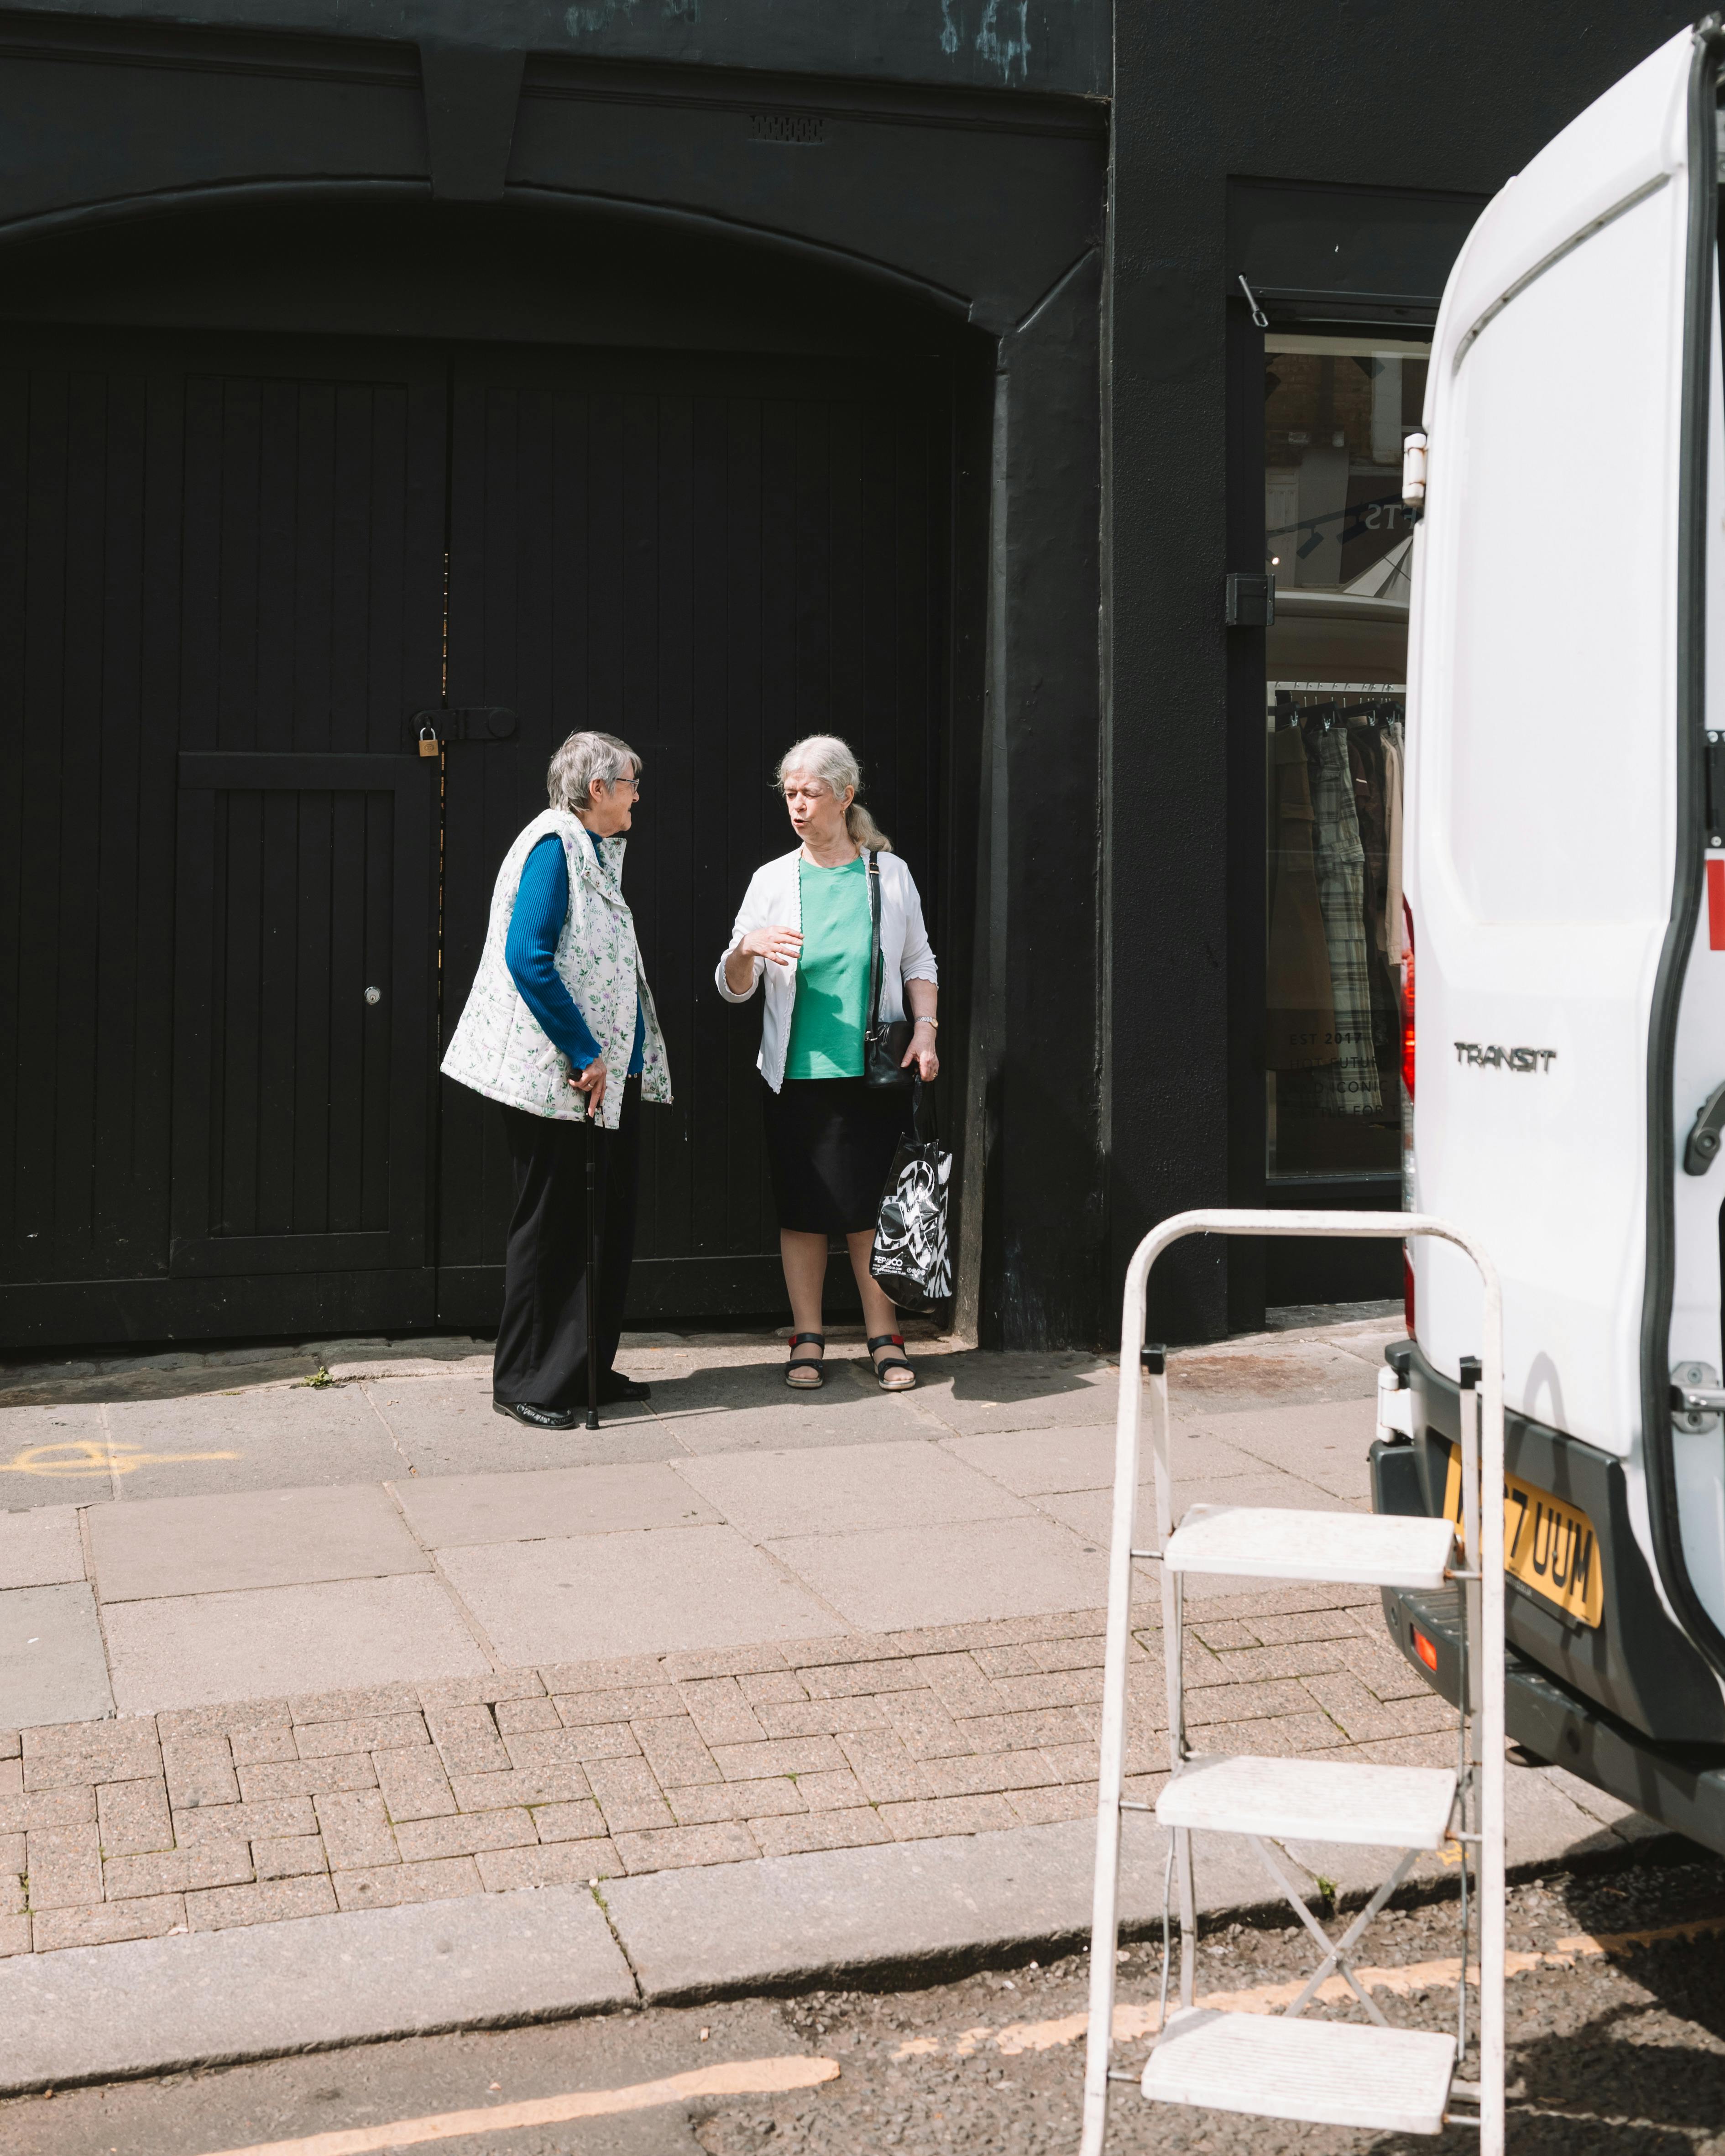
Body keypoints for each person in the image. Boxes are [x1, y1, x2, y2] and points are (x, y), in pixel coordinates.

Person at [441, 731, 672, 1429]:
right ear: (598, 789)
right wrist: (583, 1050)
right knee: (550, 1228)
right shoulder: (552, 846)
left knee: (601, 1225)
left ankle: (582, 1366)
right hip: (562, 1079)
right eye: (631, 782)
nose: (638, 794)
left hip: (604, 1079)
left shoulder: (594, 848)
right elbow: (527, 955)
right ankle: (524, 1382)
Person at [717, 734, 938, 1391]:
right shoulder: (772, 880)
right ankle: (807, 1335)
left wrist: (925, 1031)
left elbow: (918, 963)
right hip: (797, 1073)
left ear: (844, 796)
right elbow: (733, 986)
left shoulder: (888, 874)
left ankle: (884, 1336)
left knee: (873, 1209)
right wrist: (748, 947)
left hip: (875, 1071)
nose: (797, 805)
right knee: (804, 1209)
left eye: (810, 792)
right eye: (789, 793)